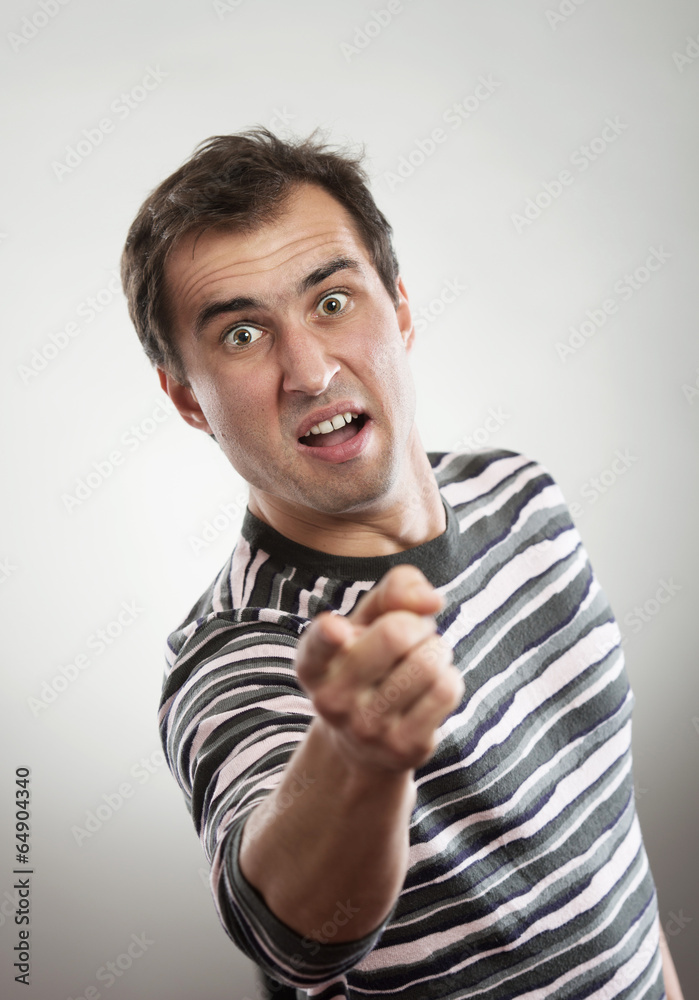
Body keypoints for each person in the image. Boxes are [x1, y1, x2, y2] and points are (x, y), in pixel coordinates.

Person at [121, 128, 684, 999]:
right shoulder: (232, 660)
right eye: (241, 334)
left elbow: (610, 864)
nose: (307, 370)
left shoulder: (522, 497)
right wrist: (355, 757)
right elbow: (292, 934)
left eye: (333, 301)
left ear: (402, 307)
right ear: (188, 398)